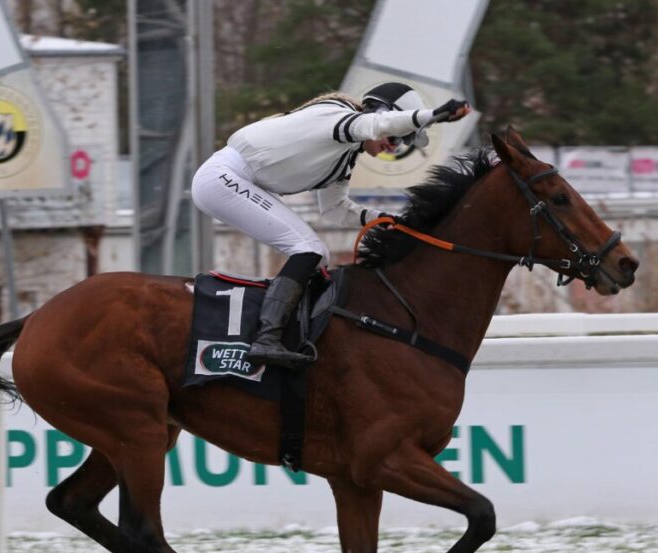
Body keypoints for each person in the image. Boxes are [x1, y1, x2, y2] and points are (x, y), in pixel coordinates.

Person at [191, 82, 471, 369]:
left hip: (231, 182)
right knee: (310, 249)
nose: (394, 146)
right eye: (398, 138)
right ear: (383, 112)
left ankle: (278, 332)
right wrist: (432, 114)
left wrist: (386, 220)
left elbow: (334, 210)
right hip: (223, 177)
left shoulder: (345, 156)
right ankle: (266, 338)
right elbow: (376, 124)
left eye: (401, 142)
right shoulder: (336, 116)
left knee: (314, 252)